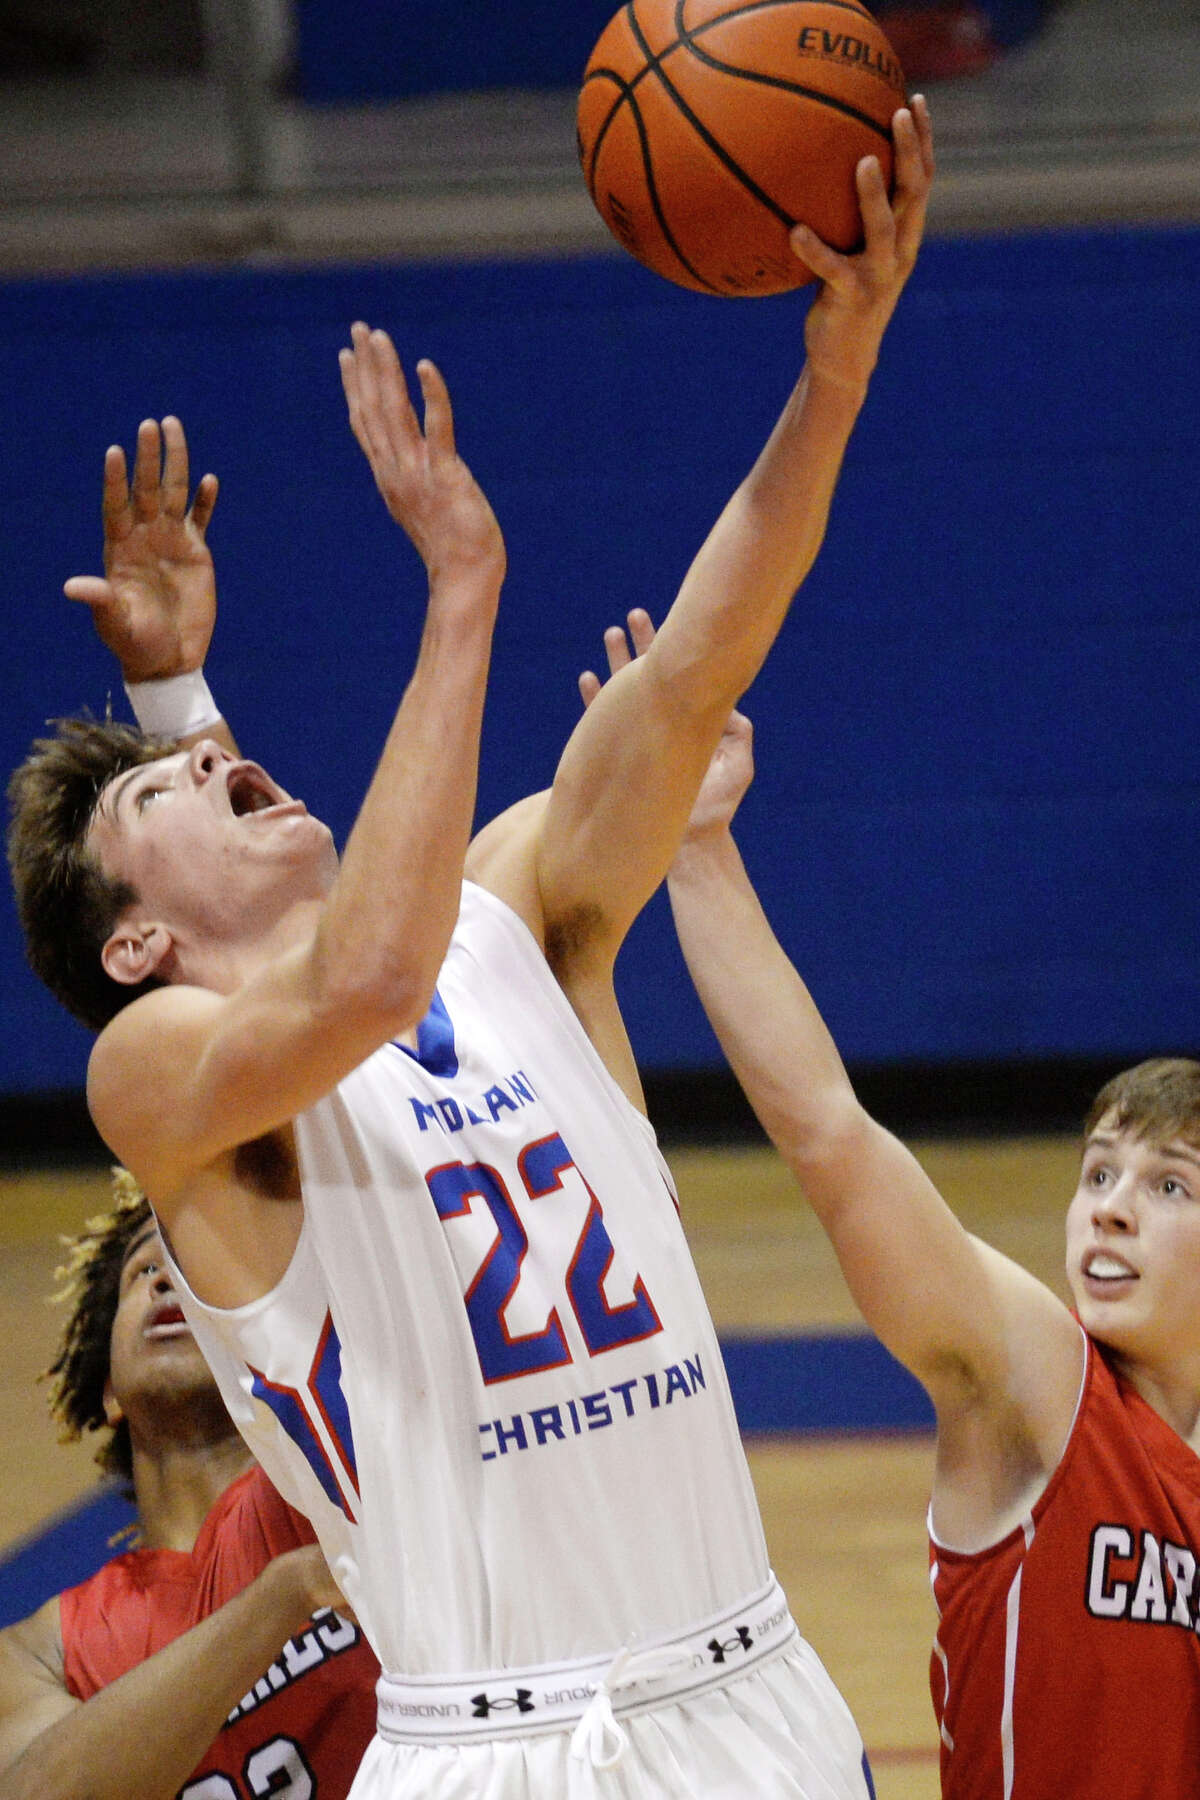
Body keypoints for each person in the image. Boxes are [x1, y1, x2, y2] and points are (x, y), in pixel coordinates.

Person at [7, 99, 933, 1799]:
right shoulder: (157, 1080)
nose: (217, 757)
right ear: (130, 937)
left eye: (212, 748)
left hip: (748, 1688)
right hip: (500, 1743)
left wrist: (838, 373)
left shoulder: (516, 914)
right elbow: (346, 983)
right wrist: (461, 586)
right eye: (167, 785)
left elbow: (692, 672)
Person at [633, 613, 1200, 1795]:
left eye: (1164, 1186)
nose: (1107, 1209)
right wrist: (695, 845)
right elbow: (833, 1138)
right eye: (1098, 1174)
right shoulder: (1041, 1386)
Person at [0, 1169, 379, 1800]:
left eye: (200, 1268)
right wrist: (280, 1598)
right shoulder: (42, 1649)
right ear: (110, 1392)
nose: (166, 1279)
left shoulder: (348, 1477)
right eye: (140, 1270)